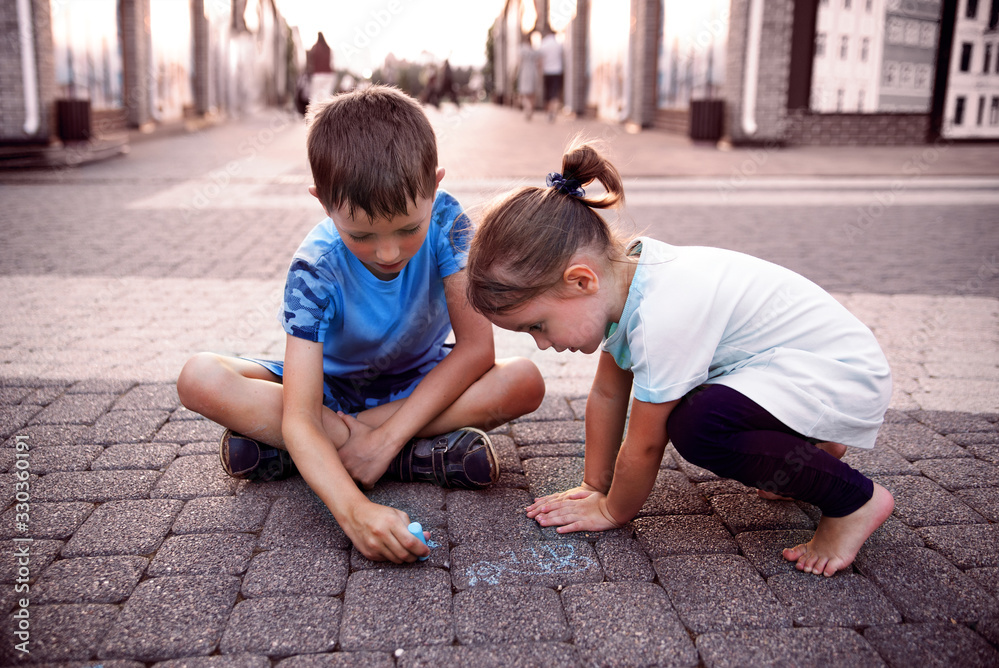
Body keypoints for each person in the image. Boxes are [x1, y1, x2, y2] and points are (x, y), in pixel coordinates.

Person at [464, 140, 895, 578]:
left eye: (537, 326)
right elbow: (608, 396)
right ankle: (812, 449)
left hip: (839, 375)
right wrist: (594, 485)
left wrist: (613, 510)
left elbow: (646, 443)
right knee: (708, 410)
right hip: (803, 371)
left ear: (580, 281)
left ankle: (854, 500)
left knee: (700, 425)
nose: (541, 344)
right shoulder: (628, 281)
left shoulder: (660, 316)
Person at [177, 86, 545, 563]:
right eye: (362, 235)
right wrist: (355, 512)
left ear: (434, 187)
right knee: (199, 377)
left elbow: (477, 351)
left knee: (524, 381)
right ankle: (409, 456)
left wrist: (383, 439)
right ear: (323, 201)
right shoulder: (315, 267)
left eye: (408, 228)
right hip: (329, 392)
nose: (389, 252)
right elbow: (304, 414)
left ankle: (322, 455)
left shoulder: (448, 221)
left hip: (420, 384)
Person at [537, 28, 564, 122]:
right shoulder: (558, 44)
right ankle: (553, 112)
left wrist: (540, 72)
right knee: (555, 93)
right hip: (557, 71)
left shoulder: (543, 44)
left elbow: (540, 60)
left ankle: (549, 113)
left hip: (546, 72)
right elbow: (562, 57)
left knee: (548, 93)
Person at [517, 31, 540, 120]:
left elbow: (519, 61)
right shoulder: (533, 50)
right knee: (532, 94)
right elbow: (538, 63)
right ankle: (531, 109)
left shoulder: (522, 49)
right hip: (533, 72)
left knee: (524, 93)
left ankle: (528, 108)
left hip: (525, 71)